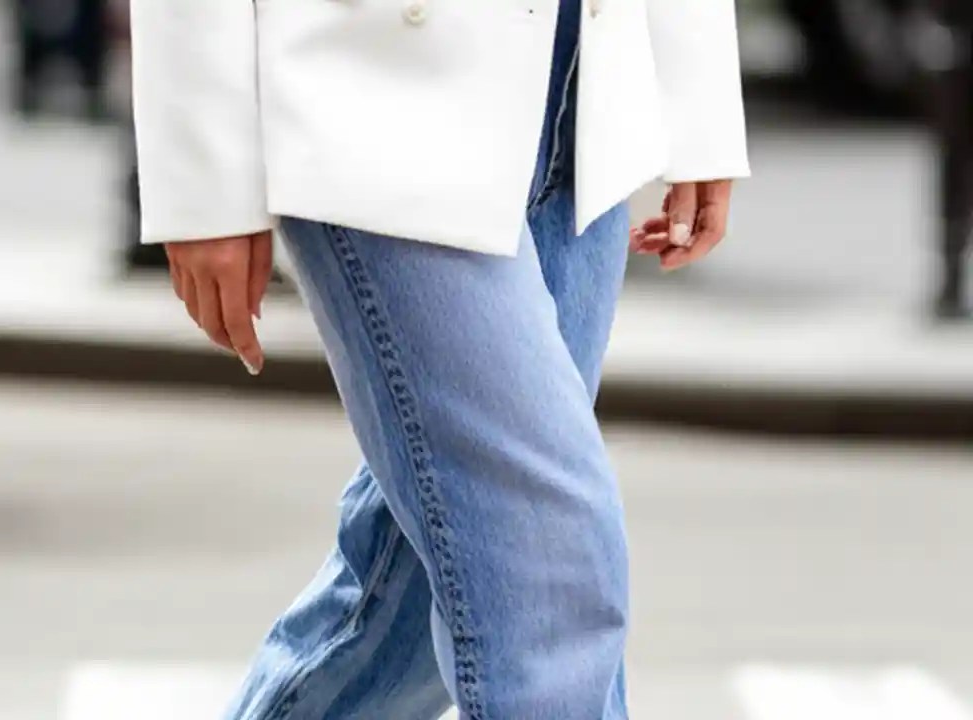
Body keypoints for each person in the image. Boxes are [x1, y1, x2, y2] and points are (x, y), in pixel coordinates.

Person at [131, 0, 749, 716]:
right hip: (373, 81)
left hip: (591, 81)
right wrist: (204, 169)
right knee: (546, 573)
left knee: (413, 607)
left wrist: (696, 96)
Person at [921, 0, 972, 319]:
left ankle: (950, 282)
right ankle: (950, 279)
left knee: (953, 168)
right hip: (956, 53)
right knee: (953, 168)